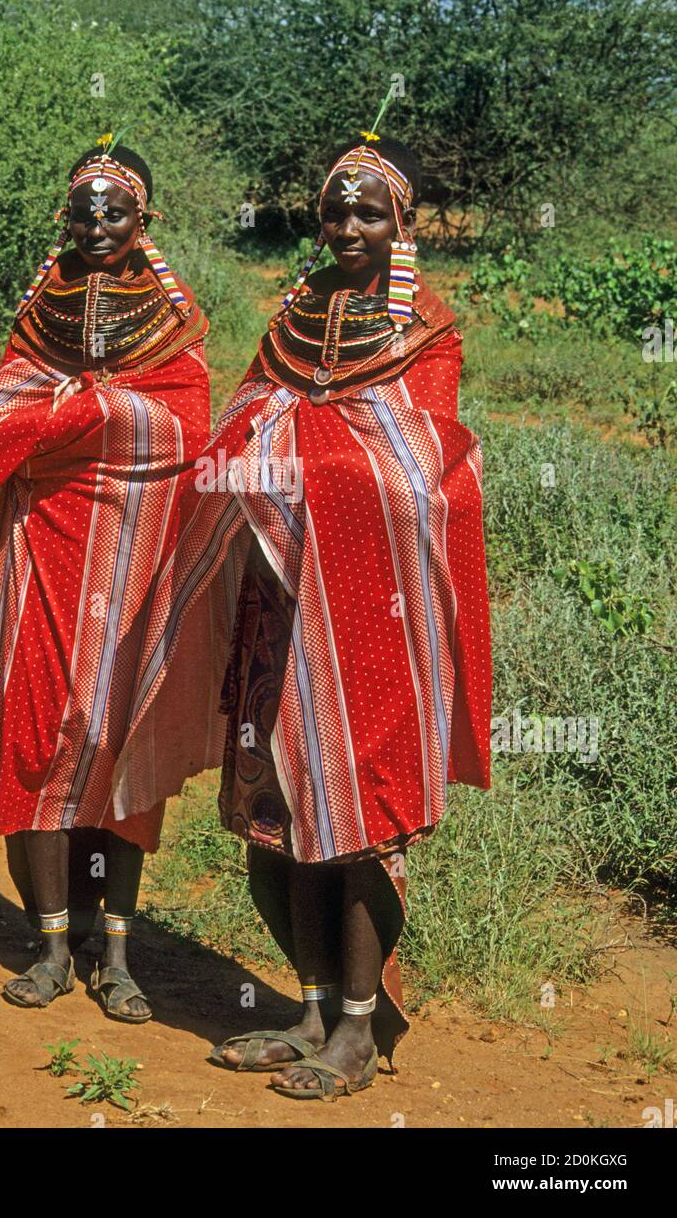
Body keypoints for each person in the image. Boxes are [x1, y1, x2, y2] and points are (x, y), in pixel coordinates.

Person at [109, 114, 492, 1097]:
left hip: (372, 620)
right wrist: (282, 437)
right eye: (334, 210)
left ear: (402, 222)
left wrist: (300, 446)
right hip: (276, 611)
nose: (348, 225)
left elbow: (422, 472)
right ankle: (312, 1004)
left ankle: (358, 1031)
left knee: (352, 824)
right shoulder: (291, 322)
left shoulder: (425, 327)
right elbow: (237, 432)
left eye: (369, 210)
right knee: (274, 828)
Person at [0, 134, 211, 1023]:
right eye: (85, 208)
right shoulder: (41, 310)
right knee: (32, 733)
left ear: (146, 217)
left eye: (118, 208)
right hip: (41, 546)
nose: (100, 223)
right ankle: (51, 945)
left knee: (115, 740)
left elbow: (181, 430)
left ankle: (117, 956)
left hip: (133, 555)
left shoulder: (175, 321)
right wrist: (76, 414)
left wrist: (78, 412)